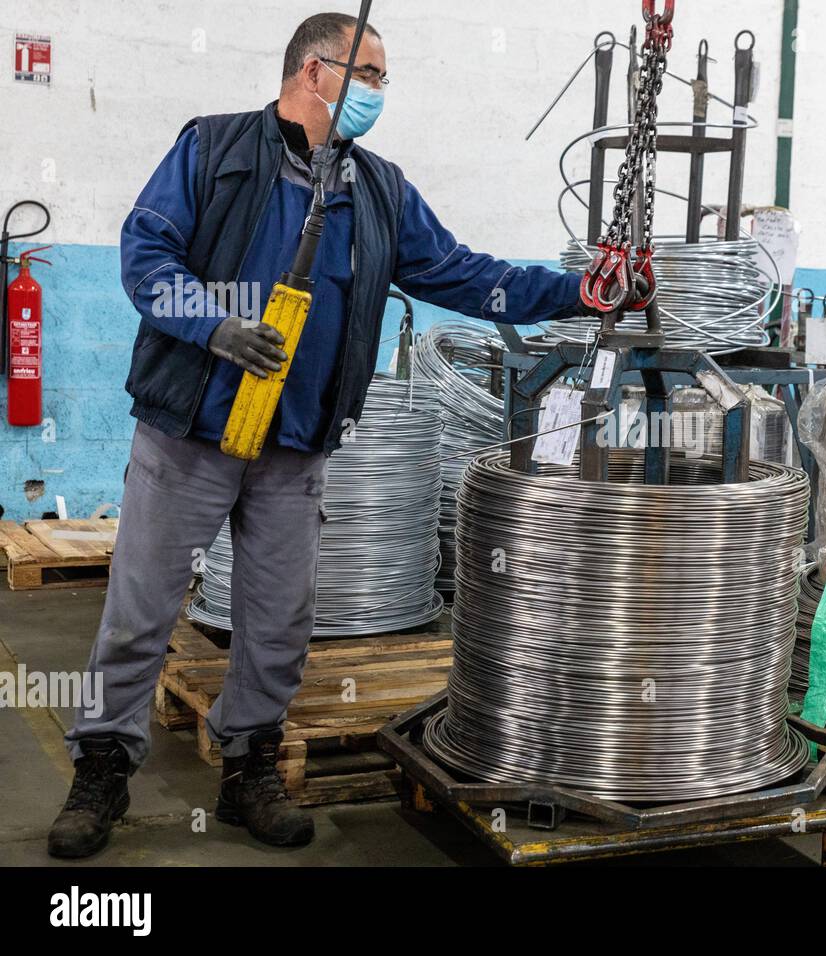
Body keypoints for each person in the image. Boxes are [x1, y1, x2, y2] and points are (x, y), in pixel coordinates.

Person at [49, 12, 586, 858]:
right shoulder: (215, 148)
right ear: (312, 71)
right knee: (139, 610)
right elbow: (145, 253)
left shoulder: (379, 189)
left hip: (296, 445)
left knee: (279, 619)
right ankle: (102, 772)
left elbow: (465, 274)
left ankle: (249, 769)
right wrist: (216, 325)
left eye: (382, 77)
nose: (378, 90)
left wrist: (573, 295)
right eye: (367, 73)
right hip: (191, 428)